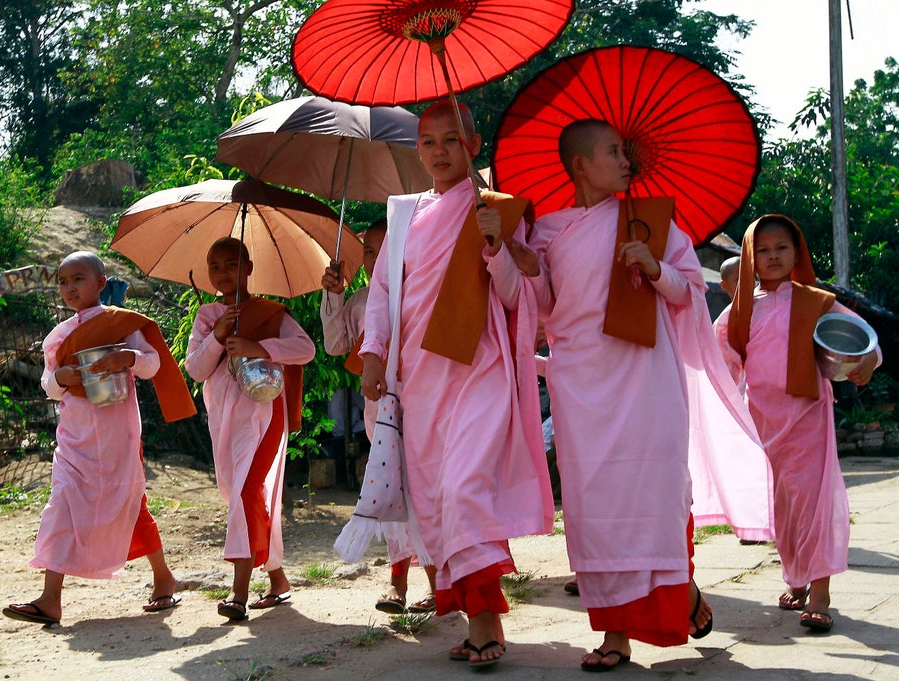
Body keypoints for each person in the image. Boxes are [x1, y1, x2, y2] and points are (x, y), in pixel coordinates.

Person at [523, 118, 761, 671]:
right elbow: (542, 309)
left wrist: (655, 268)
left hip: (646, 384)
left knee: (653, 496)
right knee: (594, 509)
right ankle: (615, 633)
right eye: (613, 151)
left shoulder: (653, 221)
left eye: (625, 152)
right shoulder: (549, 231)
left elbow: (689, 293)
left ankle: (678, 592)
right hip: (581, 388)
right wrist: (521, 265)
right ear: (581, 165)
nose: (625, 161)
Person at [359, 100, 554, 668]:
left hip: (478, 368)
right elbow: (384, 293)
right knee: (438, 501)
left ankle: (487, 622)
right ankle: (474, 620)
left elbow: (520, 300)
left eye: (451, 140)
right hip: (418, 376)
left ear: (473, 145)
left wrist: (497, 247)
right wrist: (373, 353)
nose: (439, 151)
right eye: (428, 141)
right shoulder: (402, 214)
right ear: (417, 150)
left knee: (466, 490)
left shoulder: (498, 206)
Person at [3, 251, 196, 626]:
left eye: (79, 279)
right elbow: (48, 384)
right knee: (61, 504)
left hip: (117, 436)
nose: (70, 288)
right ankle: (50, 599)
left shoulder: (121, 323)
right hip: (74, 439)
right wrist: (62, 379)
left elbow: (152, 363)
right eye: (63, 282)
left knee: (131, 504)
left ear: (100, 283)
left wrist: (128, 356)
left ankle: (163, 577)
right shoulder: (59, 335)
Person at [715, 214, 880, 633]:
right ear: (750, 257)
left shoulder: (817, 301)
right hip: (762, 422)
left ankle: (821, 594)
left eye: (781, 248)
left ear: (797, 253)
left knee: (814, 502)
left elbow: (864, 337)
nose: (772, 256)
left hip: (808, 416)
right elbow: (718, 361)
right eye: (763, 250)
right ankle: (797, 577)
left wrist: (867, 360)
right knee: (784, 508)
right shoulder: (740, 310)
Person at [185, 237, 315, 621]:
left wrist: (260, 347)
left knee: (245, 490)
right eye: (215, 266)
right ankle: (277, 579)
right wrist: (217, 335)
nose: (223, 273)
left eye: (232, 264)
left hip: (263, 412)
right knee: (240, 493)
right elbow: (195, 369)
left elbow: (305, 349)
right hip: (223, 417)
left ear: (248, 268)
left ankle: (238, 592)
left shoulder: (269, 312)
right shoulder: (208, 315)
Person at [319, 220, 438, 616]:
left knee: (422, 492)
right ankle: (398, 582)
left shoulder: (423, 291)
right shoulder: (360, 301)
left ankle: (439, 582)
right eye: (369, 251)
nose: (376, 258)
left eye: (385, 248)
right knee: (391, 490)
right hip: (379, 412)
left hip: (422, 406)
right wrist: (333, 295)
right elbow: (336, 345)